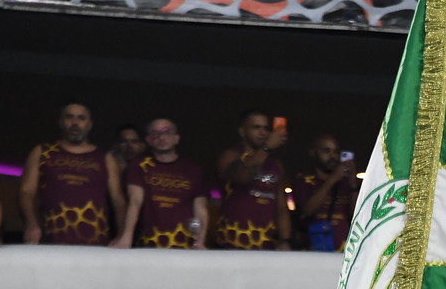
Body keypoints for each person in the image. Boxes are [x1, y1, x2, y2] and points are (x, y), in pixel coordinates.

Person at [19, 102, 125, 247]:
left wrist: (122, 235)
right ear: (61, 122)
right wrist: (31, 224)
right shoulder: (42, 152)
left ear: (90, 124)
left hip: (95, 243)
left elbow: (118, 201)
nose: (75, 122)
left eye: (81, 118)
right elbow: (26, 192)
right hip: (50, 241)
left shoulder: (105, 158)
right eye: (69, 117)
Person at [111, 119, 208, 250]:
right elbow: (135, 202)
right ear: (149, 139)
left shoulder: (193, 170)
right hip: (148, 245)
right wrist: (126, 238)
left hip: (184, 247)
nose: (161, 137)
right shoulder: (139, 166)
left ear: (176, 138)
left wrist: (200, 241)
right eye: (155, 133)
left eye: (167, 132)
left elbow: (200, 210)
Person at [214, 109, 292, 250]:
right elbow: (243, 176)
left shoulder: (275, 164)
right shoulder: (231, 155)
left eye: (266, 128)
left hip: (266, 245)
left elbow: (281, 207)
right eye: (256, 128)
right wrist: (267, 147)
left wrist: (285, 240)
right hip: (232, 243)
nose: (262, 132)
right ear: (242, 131)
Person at [287, 134, 360, 252]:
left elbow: (357, 215)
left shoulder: (346, 183)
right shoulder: (303, 180)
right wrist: (332, 179)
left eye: (336, 152)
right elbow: (308, 210)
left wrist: (352, 184)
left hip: (344, 251)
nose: (332, 156)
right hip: (313, 249)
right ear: (313, 153)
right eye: (326, 151)